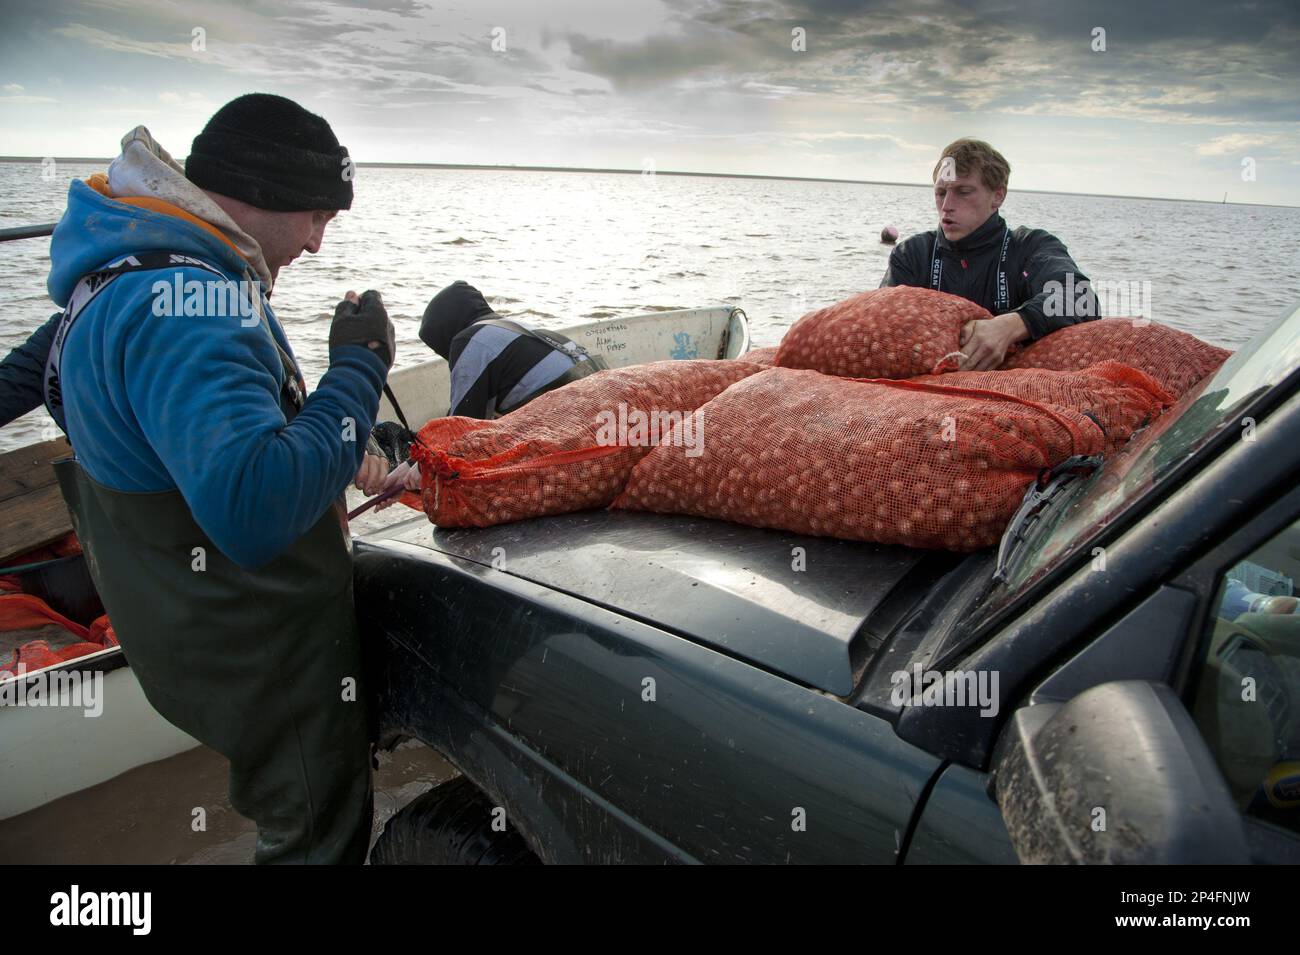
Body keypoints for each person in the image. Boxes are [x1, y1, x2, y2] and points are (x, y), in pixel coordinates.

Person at [45, 93, 393, 864]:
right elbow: (253, 508)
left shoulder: (123, 263)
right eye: (316, 215)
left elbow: (32, 375)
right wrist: (359, 369)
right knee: (313, 830)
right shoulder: (196, 308)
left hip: (174, 621)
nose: (317, 241)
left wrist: (336, 437)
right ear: (264, 194)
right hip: (258, 645)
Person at [372, 281, 609, 498]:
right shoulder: (512, 329)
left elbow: (462, 430)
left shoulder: (469, 341)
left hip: (579, 431)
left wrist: (421, 468)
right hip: (606, 420)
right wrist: (412, 464)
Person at [879, 138, 1100, 370]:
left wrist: (1011, 326)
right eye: (941, 193)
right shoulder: (911, 255)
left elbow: (1082, 299)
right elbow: (881, 326)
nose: (947, 206)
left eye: (963, 192)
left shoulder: (1031, 247)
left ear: (998, 196)